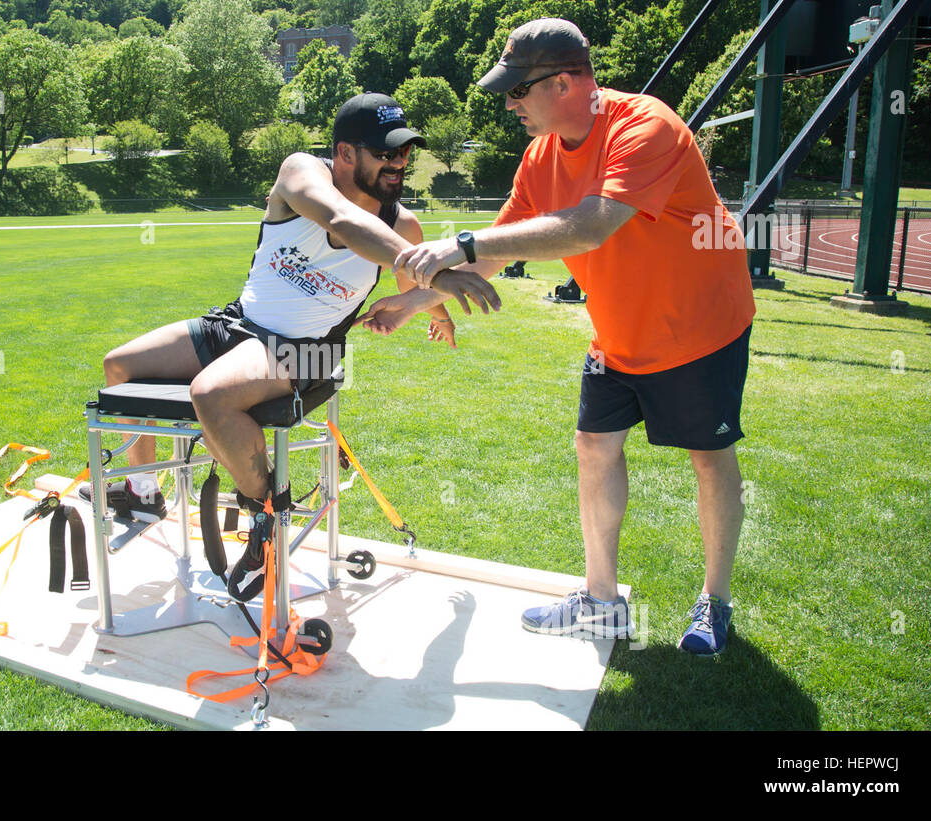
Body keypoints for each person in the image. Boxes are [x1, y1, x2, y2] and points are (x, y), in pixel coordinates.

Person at [360, 19, 756, 655]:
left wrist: (461, 243)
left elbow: (589, 226)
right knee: (594, 446)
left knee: (708, 459)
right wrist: (413, 302)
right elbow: (496, 256)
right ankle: (601, 603)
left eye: (519, 91)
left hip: (700, 328)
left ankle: (715, 601)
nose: (510, 104)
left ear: (567, 83)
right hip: (619, 333)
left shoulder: (643, 126)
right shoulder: (541, 156)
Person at [91, 93, 500, 601]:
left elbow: (411, 286)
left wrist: (436, 314)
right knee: (120, 366)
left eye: (405, 153)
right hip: (238, 325)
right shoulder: (301, 171)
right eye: (387, 153)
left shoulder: (403, 227)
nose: (399, 163)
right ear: (345, 153)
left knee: (212, 395)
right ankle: (144, 490)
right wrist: (435, 269)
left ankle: (266, 519)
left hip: (308, 352)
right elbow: (342, 221)